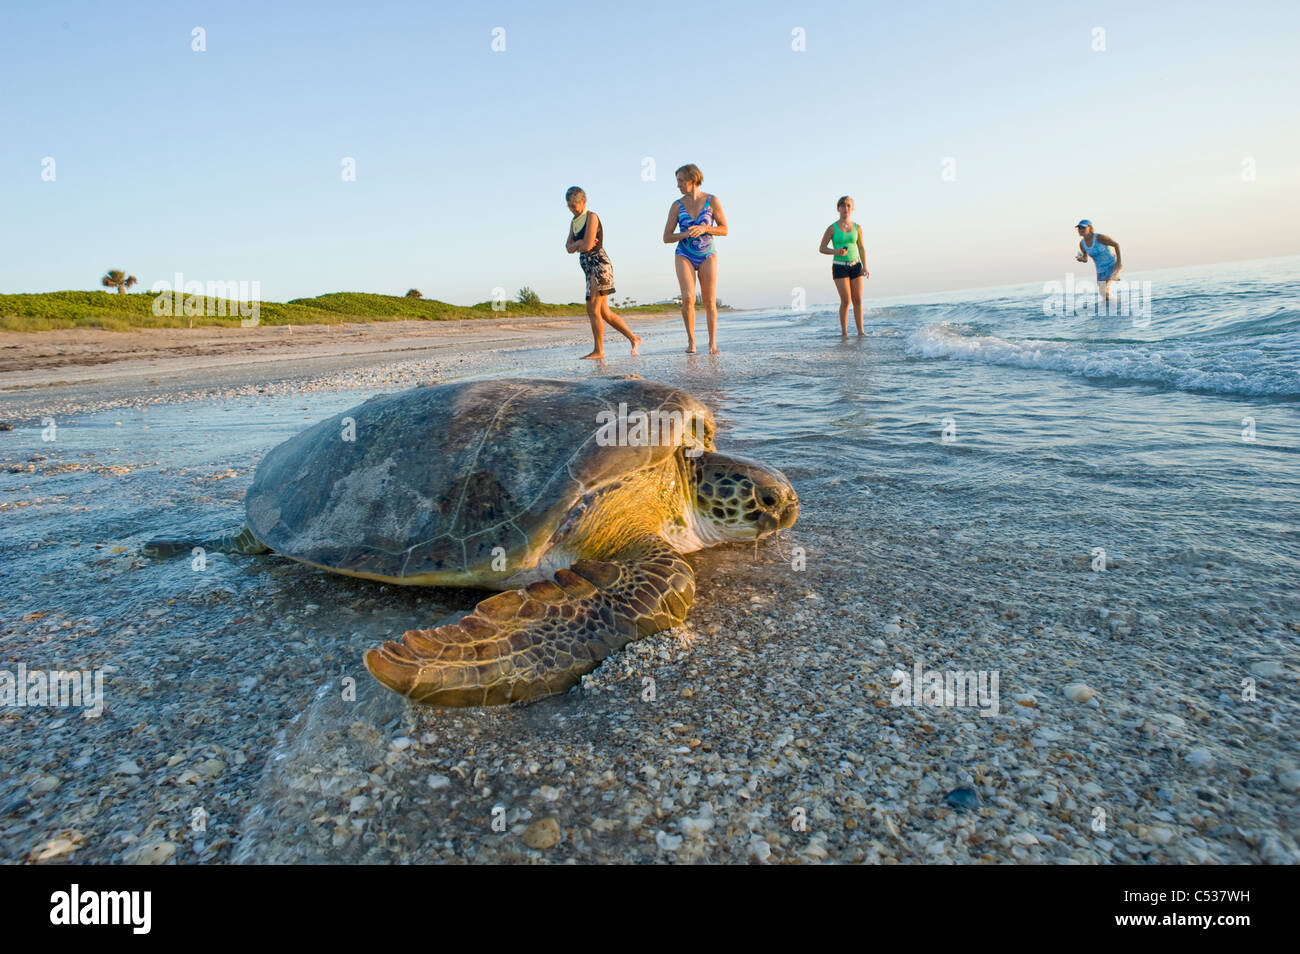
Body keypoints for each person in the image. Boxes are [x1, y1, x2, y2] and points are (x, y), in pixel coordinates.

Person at [566, 187, 640, 359]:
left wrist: (577, 245)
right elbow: (567, 247)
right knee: (604, 312)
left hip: (599, 265)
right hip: (588, 267)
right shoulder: (573, 221)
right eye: (569, 206)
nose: (571, 209)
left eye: (574, 206)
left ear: (583, 202)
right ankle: (634, 338)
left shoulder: (592, 217)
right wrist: (579, 244)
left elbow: (587, 246)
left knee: (592, 309)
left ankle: (599, 351)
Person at [662, 164, 728, 354]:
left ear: (693, 180)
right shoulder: (677, 205)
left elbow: (724, 229)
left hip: (707, 253)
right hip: (684, 254)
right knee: (688, 298)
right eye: (678, 181)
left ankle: (712, 344)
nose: (678, 185)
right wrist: (684, 234)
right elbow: (666, 237)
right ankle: (691, 341)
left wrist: (705, 228)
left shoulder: (712, 200)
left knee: (709, 300)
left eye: (681, 181)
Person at [819, 195, 870, 335]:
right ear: (838, 208)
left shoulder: (857, 228)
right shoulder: (832, 228)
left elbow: (861, 247)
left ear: (852, 208)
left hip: (856, 266)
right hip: (839, 266)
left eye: (848, 205)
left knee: (858, 300)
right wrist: (835, 251)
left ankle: (861, 332)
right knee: (846, 300)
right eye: (842, 205)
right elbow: (822, 248)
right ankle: (844, 333)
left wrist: (865, 266)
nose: (845, 208)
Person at [1074, 219, 1122, 304]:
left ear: (1090, 228)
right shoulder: (1082, 244)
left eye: (1083, 228)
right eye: (1079, 228)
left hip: (1111, 265)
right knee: (1103, 294)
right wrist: (1081, 259)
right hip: (1100, 270)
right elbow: (1085, 259)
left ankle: (1114, 277)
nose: (1080, 230)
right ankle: (1115, 305)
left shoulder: (1099, 238)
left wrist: (1118, 263)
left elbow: (1116, 245)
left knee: (1104, 289)